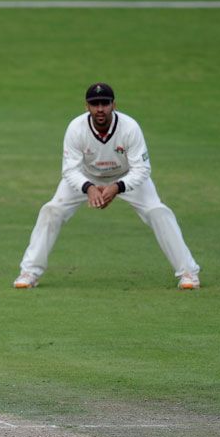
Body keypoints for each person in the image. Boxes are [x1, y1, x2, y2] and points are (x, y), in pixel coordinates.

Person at [13, 83, 200, 290]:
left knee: (158, 211)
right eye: (95, 104)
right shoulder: (76, 128)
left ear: (114, 105)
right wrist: (89, 188)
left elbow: (142, 169)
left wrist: (117, 187)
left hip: (126, 176)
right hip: (86, 176)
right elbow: (69, 170)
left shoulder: (130, 127)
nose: (100, 109)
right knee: (51, 210)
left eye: (105, 103)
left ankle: (188, 274)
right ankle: (29, 272)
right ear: (87, 107)